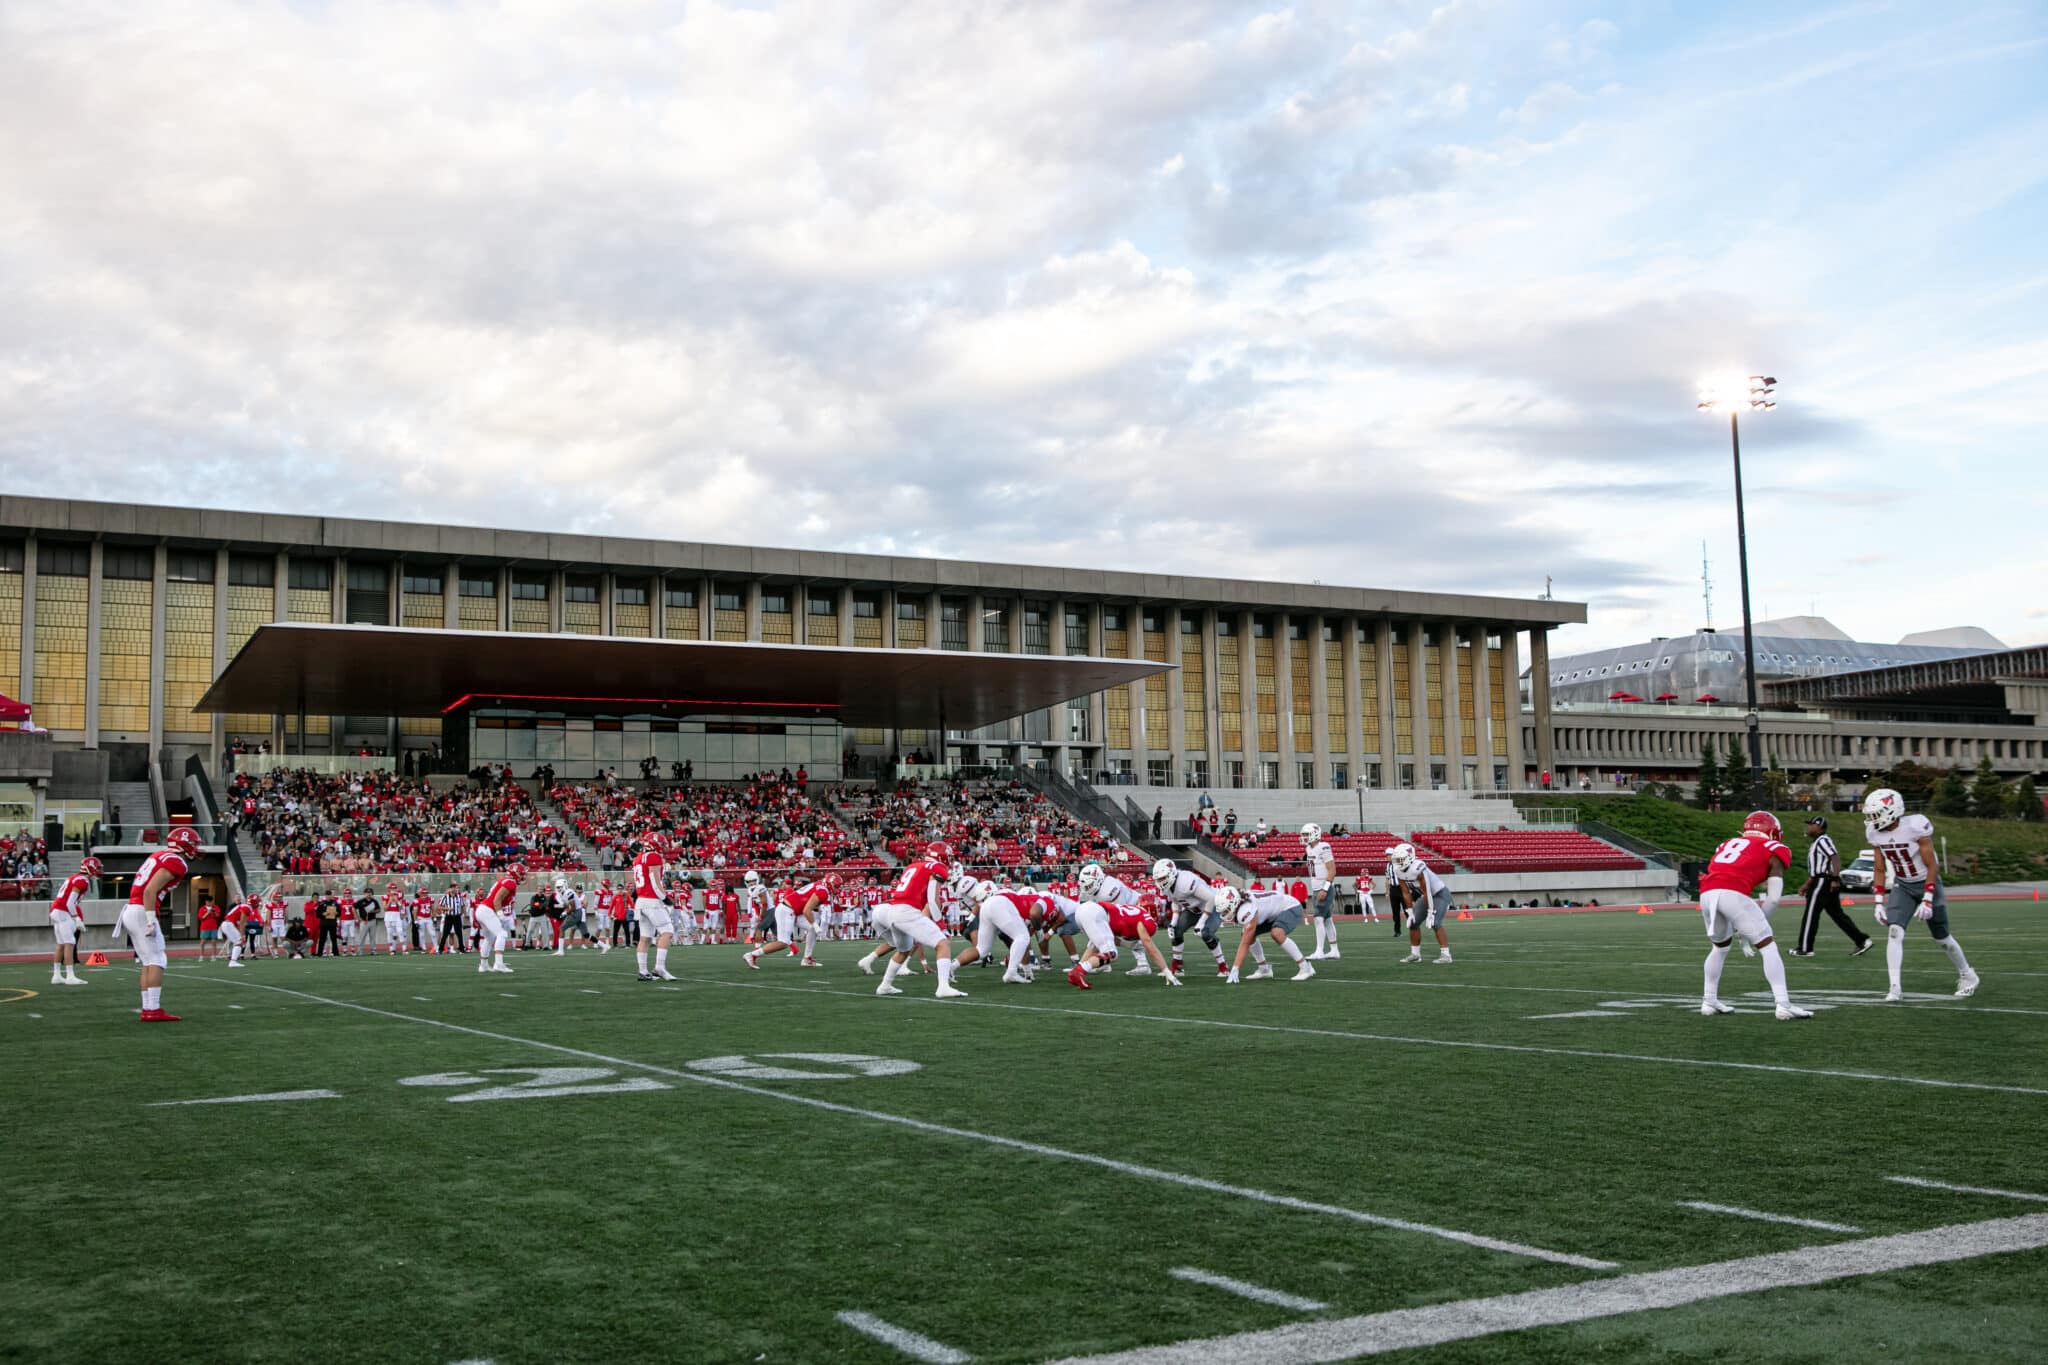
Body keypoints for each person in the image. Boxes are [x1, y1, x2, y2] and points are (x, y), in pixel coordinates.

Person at [1864, 789, 1978, 1001]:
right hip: (1903, 885)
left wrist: (1927, 897)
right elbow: (1879, 869)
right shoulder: (1874, 833)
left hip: (1927, 881)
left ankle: (1967, 974)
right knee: (1895, 931)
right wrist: (1878, 902)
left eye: (1876, 813)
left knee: (1942, 938)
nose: (1872, 819)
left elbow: (1931, 864)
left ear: (1891, 810)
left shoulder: (1915, 826)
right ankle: (1895, 988)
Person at [1697, 811, 1811, 1020]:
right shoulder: (1774, 848)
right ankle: (1783, 1004)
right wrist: (1754, 928)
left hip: (1707, 893)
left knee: (1720, 947)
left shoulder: (1728, 843)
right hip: (1732, 893)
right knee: (1767, 946)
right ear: (1773, 831)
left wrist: (1744, 927)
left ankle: (1709, 1001)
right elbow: (1774, 898)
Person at [111, 826, 201, 1021]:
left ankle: (148, 1008)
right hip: (142, 910)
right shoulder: (176, 861)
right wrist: (151, 920)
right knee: (157, 959)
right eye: (192, 843)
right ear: (183, 843)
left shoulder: (160, 855)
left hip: (132, 909)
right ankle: (153, 1009)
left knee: (148, 961)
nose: (195, 847)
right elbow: (149, 891)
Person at [864, 840, 967, 999]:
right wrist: (939, 924)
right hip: (907, 911)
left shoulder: (912, 866)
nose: (950, 859)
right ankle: (943, 987)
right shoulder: (937, 867)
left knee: (904, 950)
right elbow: (933, 899)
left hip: (892, 910)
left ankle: (885, 985)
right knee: (942, 943)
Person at [1792, 816, 1871, 959]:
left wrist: (1835, 878)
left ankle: (1805, 948)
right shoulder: (1817, 842)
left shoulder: (1823, 840)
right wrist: (1807, 884)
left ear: (1820, 827)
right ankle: (1862, 940)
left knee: (1811, 914)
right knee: (1837, 914)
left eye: (1811, 825)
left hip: (1824, 881)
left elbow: (1834, 858)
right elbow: (1818, 868)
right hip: (1821, 880)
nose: (1809, 827)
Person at [950, 880, 1043, 983]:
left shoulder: (1003, 894)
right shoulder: (1022, 900)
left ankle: (951, 966)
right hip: (998, 904)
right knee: (1022, 937)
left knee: (981, 950)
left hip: (984, 908)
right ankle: (1012, 972)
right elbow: (1024, 938)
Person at [1220, 884, 1314, 983]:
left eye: (1226, 909)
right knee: (1247, 934)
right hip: (1273, 913)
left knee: (1277, 933)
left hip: (1291, 907)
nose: (1224, 912)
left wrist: (1235, 968)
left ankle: (1305, 967)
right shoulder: (1242, 900)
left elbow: (1245, 943)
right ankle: (1264, 969)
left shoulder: (1246, 909)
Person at [1150, 858, 1226, 977]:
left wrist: (1201, 923)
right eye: (1158, 879)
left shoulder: (1186, 881)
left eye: (1162, 878)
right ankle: (1177, 967)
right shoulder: (1168, 886)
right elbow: (1176, 901)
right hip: (1193, 909)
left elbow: (1211, 899)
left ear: (1171, 873)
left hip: (1213, 906)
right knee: (1176, 931)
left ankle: (1223, 967)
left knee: (1206, 933)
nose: (1160, 881)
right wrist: (1173, 922)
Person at [745, 873, 838, 969]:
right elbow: (807, 910)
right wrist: (815, 925)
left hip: (792, 910)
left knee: (811, 929)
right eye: (837, 887)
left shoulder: (820, 885)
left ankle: (807, 959)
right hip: (787, 910)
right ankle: (752, 955)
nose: (837, 889)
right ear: (831, 884)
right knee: (783, 943)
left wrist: (814, 923)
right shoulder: (824, 891)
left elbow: (807, 903)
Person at [1386, 843, 1454, 965]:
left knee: (1434, 922)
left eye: (1400, 860)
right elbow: (1405, 892)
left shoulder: (1418, 867)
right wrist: (1410, 912)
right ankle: (1415, 954)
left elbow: (1427, 891)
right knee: (1413, 922)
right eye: (1396, 860)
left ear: (1410, 857)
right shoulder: (1397, 870)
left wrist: (1430, 913)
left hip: (1439, 894)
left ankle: (1446, 955)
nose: (1398, 862)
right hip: (1426, 895)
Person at [630, 833, 680, 982]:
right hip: (652, 901)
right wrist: (665, 898)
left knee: (644, 938)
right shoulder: (653, 856)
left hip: (641, 901)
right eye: (662, 844)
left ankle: (643, 971)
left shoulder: (638, 857)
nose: (664, 847)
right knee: (667, 931)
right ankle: (659, 967)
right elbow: (654, 880)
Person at [47, 855, 100, 986]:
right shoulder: (82, 881)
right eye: (97, 868)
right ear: (90, 868)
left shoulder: (75, 877)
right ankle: (70, 976)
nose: (98, 870)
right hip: (63, 910)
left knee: (60, 943)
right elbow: (71, 903)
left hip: (56, 909)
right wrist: (77, 919)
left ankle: (57, 975)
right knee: (70, 942)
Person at [471, 864, 526, 975]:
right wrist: (500, 915)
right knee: (502, 934)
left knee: (489, 938)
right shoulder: (510, 882)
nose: (522, 875)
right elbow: (497, 899)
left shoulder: (506, 880)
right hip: (487, 910)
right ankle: (499, 964)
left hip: (483, 910)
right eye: (520, 873)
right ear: (514, 873)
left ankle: (483, 965)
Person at [1301, 823, 1340, 960]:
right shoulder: (1308, 849)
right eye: (1304, 834)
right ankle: (1334, 950)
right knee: (1327, 919)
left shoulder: (1323, 847)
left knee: (1318, 918)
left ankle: (1319, 951)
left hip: (1324, 888)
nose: (1304, 837)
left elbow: (1332, 870)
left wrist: (1325, 888)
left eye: (1306, 834)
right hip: (1316, 888)